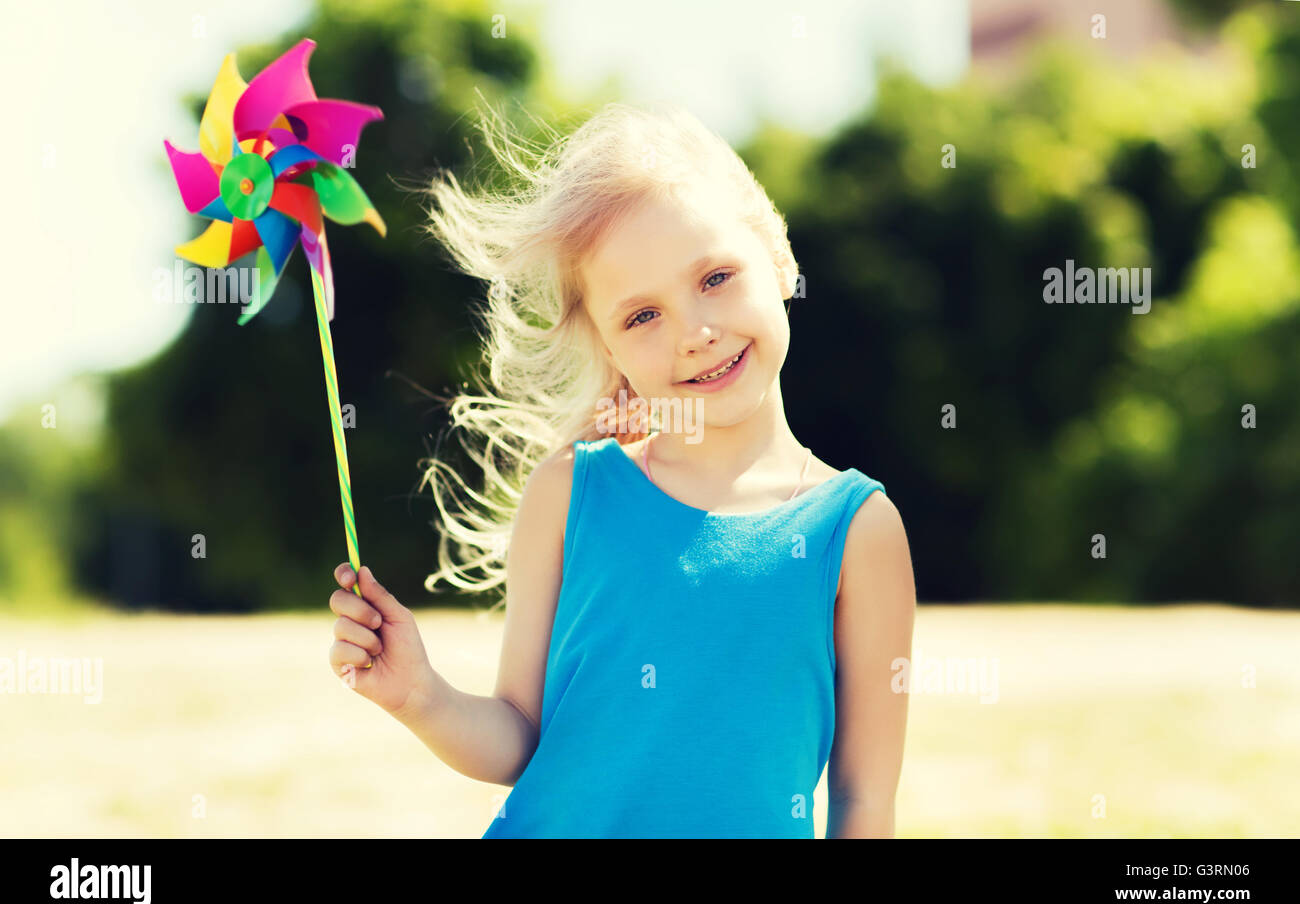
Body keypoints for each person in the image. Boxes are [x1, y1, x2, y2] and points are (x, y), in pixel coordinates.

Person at [326, 100, 916, 838]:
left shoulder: (856, 529)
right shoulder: (571, 490)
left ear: (780, 259)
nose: (695, 333)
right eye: (643, 317)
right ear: (609, 350)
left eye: (715, 277)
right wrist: (422, 696)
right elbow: (519, 734)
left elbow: (865, 802)